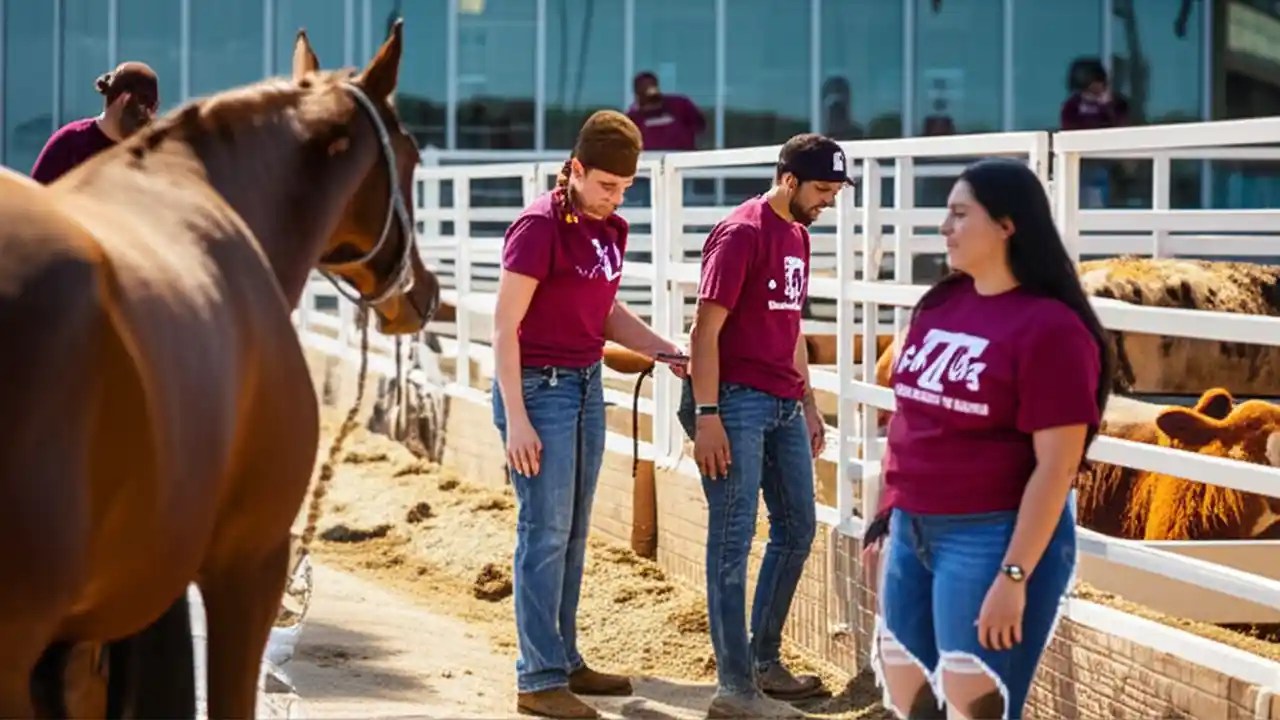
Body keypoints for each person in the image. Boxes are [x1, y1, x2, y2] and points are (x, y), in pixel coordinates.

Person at [861, 157, 1113, 720]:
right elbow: (906, 423)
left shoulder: (1052, 330)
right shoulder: (941, 303)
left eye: (958, 214)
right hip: (912, 529)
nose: (944, 228)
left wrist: (1014, 574)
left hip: (990, 535)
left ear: (1007, 225)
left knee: (974, 700)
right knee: (904, 690)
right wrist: (885, 517)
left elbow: (1056, 466)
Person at [491, 109, 687, 720]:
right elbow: (504, 327)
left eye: (625, 187)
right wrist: (517, 418)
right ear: (575, 170)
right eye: (605, 184)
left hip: (583, 384)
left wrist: (662, 348)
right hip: (538, 388)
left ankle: (565, 658)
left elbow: (604, 311)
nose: (615, 197)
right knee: (543, 532)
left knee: (574, 531)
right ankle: (538, 676)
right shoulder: (538, 226)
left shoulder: (611, 230)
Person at [678, 133, 853, 718]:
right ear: (788, 180)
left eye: (834, 191)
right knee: (732, 539)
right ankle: (734, 689)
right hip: (733, 401)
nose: (827, 200)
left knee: (799, 527)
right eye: (822, 189)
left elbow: (790, 325)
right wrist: (707, 417)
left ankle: (761, 661)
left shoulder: (798, 236)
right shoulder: (742, 234)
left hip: (781, 402)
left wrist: (807, 404)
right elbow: (704, 332)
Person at [30, 61, 159, 184]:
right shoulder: (70, 143)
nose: (149, 117)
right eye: (146, 107)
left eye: (154, 109)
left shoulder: (147, 153)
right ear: (124, 99)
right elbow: (35, 198)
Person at [625, 71, 706, 152]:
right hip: (647, 161)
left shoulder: (680, 105)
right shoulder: (631, 121)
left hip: (682, 159)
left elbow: (699, 125)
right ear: (637, 95)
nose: (651, 107)